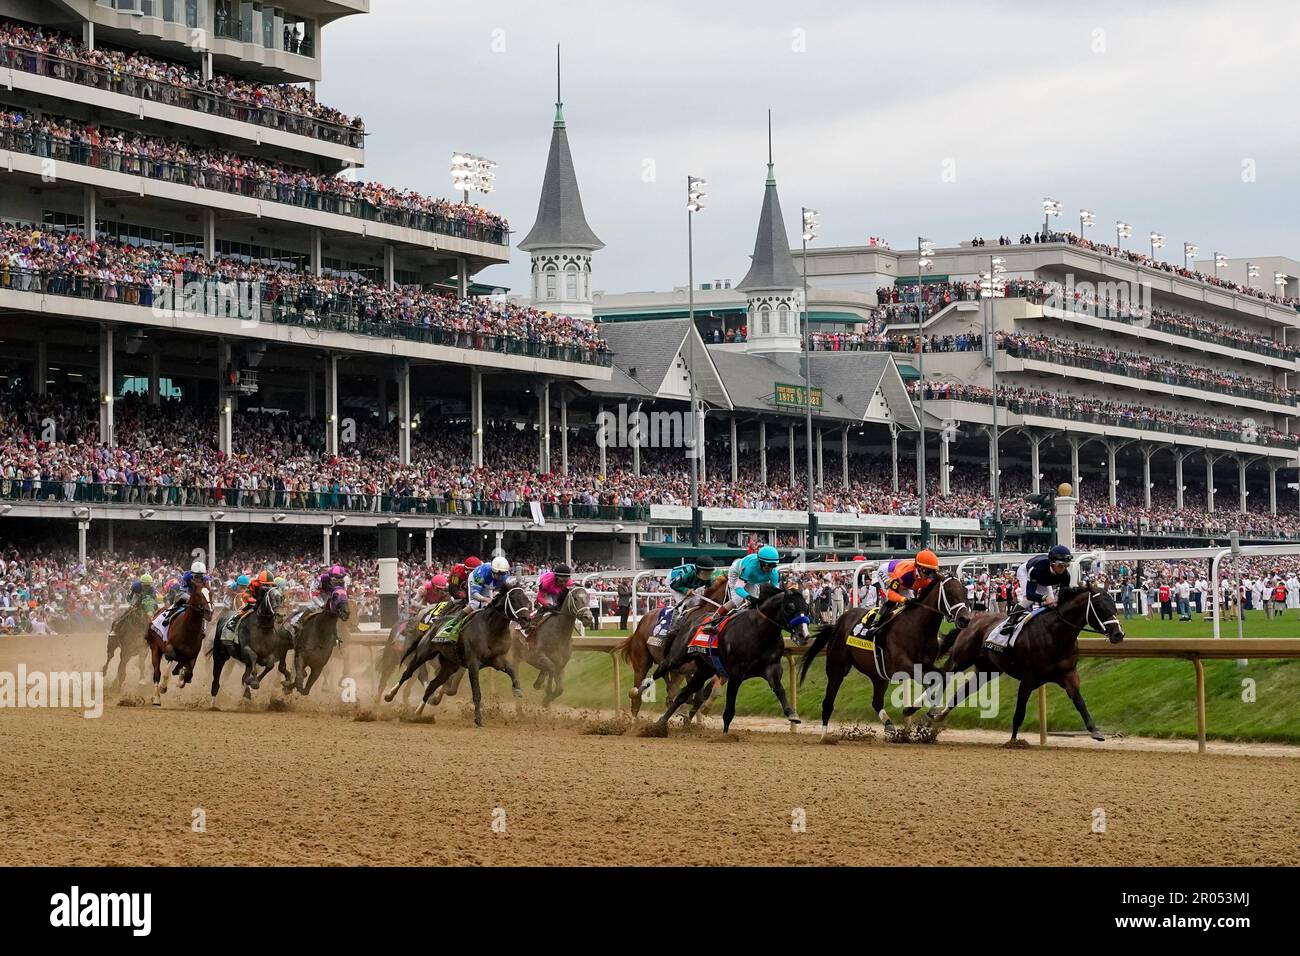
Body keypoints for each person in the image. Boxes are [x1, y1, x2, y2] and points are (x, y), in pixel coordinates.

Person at [862, 549, 940, 639]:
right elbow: (891, 595)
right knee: (892, 601)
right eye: (928, 572)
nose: (929, 576)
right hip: (887, 573)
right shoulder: (903, 574)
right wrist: (903, 600)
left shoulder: (927, 575)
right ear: (919, 568)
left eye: (932, 572)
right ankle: (875, 624)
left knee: (914, 605)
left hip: (905, 581)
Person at [1003, 545, 1072, 635]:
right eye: (1060, 565)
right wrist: (1044, 598)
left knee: (1052, 604)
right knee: (1028, 600)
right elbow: (1030, 594)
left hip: (1044, 580)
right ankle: (1010, 622)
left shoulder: (1066, 576)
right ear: (1052, 562)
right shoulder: (1037, 569)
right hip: (1026, 571)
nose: (1063, 569)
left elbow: (1063, 598)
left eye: (1066, 565)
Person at [160, 560, 208, 628]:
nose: (198, 579)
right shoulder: (186, 577)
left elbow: (205, 592)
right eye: (196, 576)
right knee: (181, 600)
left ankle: (204, 622)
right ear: (192, 573)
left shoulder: (205, 579)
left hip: (197, 594)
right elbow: (182, 590)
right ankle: (168, 617)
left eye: (200, 577)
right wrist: (191, 597)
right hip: (185, 592)